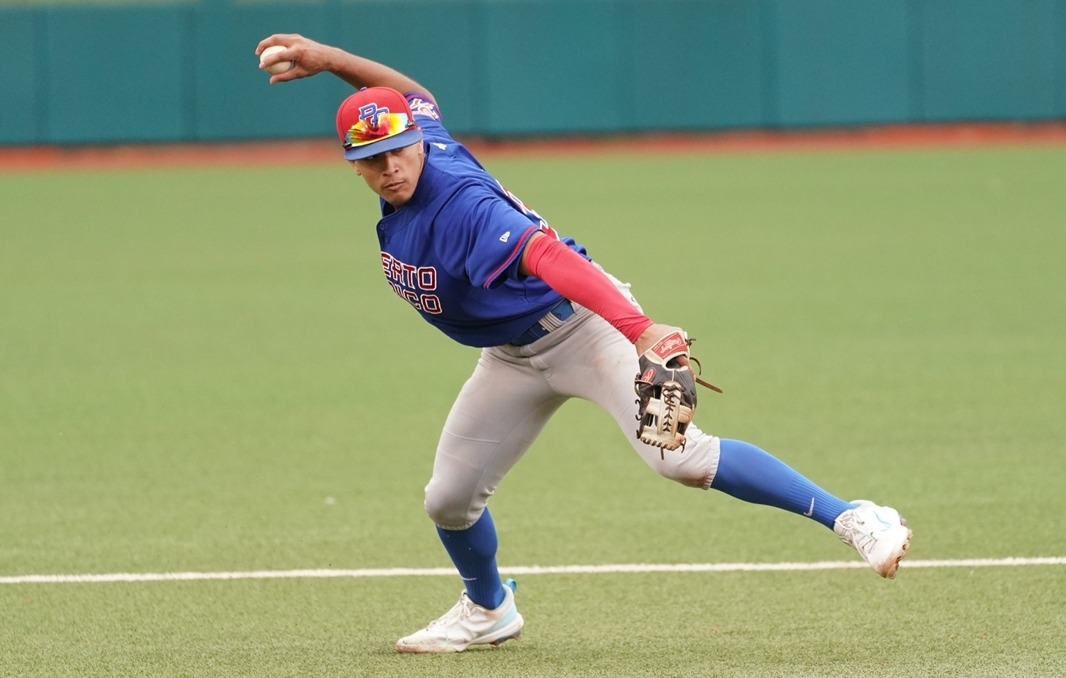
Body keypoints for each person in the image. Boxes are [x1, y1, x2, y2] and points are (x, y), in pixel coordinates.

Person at [256, 34, 913, 654]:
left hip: (587, 331)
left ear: (414, 141)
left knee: (678, 457)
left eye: (395, 149)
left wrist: (639, 329)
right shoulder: (426, 137)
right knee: (447, 501)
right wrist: (331, 57)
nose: (388, 166)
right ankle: (488, 610)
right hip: (513, 359)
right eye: (368, 160)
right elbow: (415, 91)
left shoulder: (459, 204)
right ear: (352, 164)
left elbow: (547, 257)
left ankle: (853, 517)